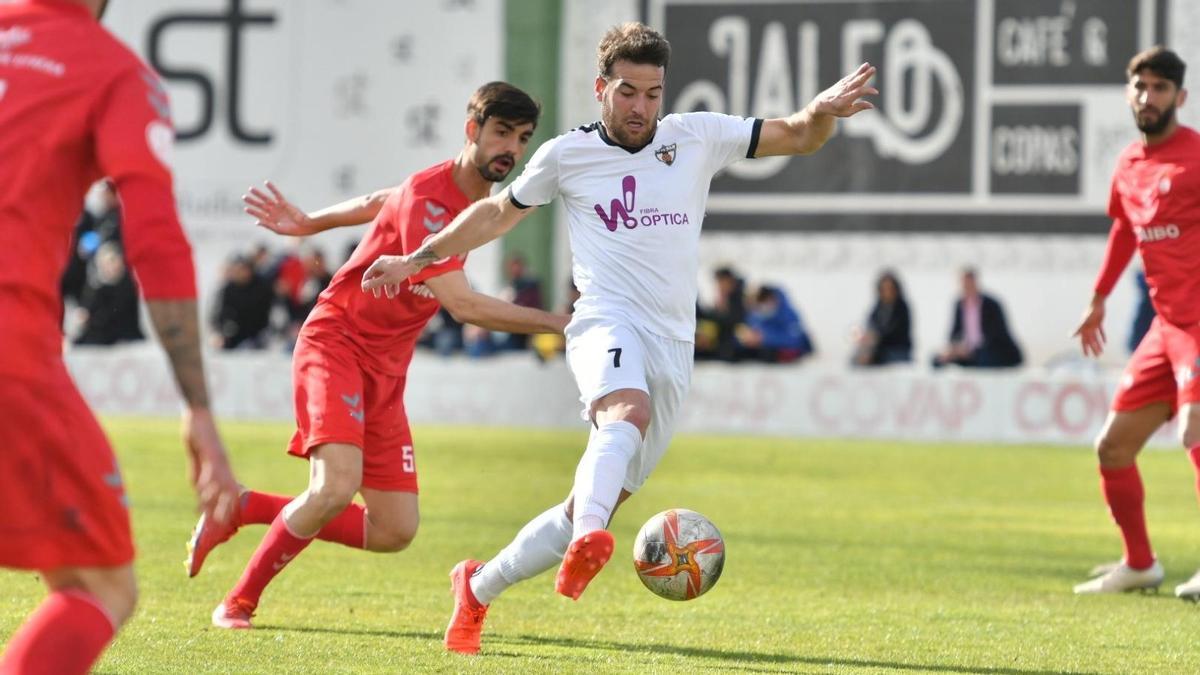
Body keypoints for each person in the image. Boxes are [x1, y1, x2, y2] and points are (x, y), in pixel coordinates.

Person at [360, 22, 877, 655]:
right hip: (603, 319)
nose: (641, 107)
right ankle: (589, 541)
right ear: (601, 88)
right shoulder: (565, 154)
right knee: (622, 413)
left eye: (653, 94)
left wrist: (820, 113)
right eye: (628, 92)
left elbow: (798, 135)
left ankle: (478, 586)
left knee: (588, 499)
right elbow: (496, 214)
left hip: (672, 344)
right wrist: (416, 259)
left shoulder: (697, 136)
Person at [186, 82, 571, 630]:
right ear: (472, 132)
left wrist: (309, 223)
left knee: (394, 530)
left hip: (387, 369)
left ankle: (243, 508)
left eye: (523, 138)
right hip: (336, 342)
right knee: (334, 488)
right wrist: (558, 325)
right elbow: (461, 306)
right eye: (501, 133)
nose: (511, 148)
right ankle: (238, 602)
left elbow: (376, 201)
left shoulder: (474, 206)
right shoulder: (432, 199)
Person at [0, 1, 240, 673]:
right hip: (10, 350)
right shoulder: (113, 74)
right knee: (100, 584)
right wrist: (197, 409)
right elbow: (156, 240)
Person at [1070, 47, 1200, 597]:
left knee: (1196, 433)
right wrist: (1098, 298)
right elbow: (1125, 230)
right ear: (1130, 93)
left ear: (1181, 97)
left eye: (1161, 88)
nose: (1149, 97)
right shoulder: (1128, 164)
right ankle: (1140, 563)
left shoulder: (1196, 159)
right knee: (1112, 448)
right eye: (1141, 87)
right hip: (1163, 328)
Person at [931, 268, 1023, 369]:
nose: (966, 286)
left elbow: (996, 335)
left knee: (982, 359)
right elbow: (954, 333)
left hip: (993, 352)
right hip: (969, 353)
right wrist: (954, 349)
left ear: (975, 282)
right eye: (963, 283)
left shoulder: (991, 304)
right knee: (936, 360)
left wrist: (971, 351)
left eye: (968, 283)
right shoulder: (959, 304)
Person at [73, 241, 145, 345]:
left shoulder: (128, 286)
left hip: (123, 336)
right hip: (98, 337)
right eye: (105, 263)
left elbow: (115, 315)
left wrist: (91, 320)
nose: (109, 266)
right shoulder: (95, 286)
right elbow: (86, 310)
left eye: (112, 261)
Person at [737, 285, 813, 363]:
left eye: (767, 303)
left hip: (786, 350)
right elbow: (750, 326)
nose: (765, 307)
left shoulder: (788, 314)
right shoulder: (757, 312)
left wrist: (764, 338)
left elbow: (794, 339)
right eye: (762, 305)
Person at [852, 270, 912, 366]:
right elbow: (870, 326)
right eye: (884, 289)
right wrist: (866, 337)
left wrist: (877, 338)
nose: (887, 292)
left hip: (897, 350)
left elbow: (897, 335)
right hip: (878, 348)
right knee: (855, 358)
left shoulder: (902, 308)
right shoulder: (877, 307)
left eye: (889, 288)